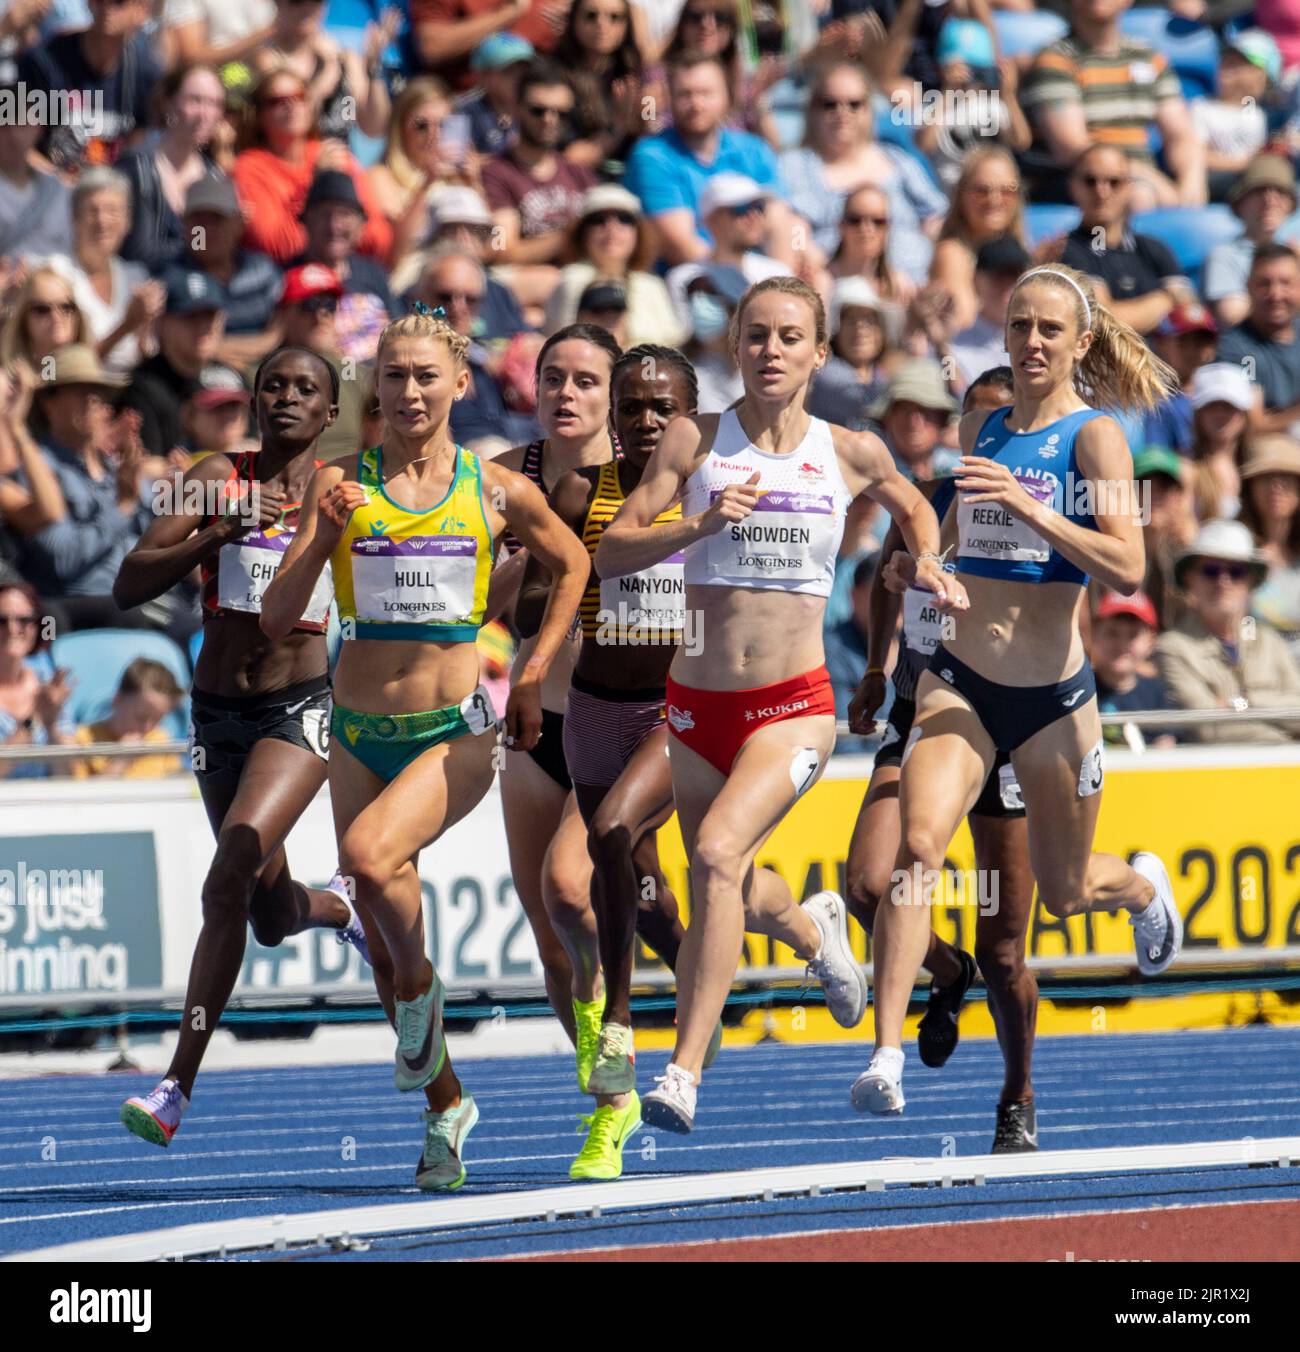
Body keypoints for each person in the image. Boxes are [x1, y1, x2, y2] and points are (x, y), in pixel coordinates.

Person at [594, 274, 953, 1132]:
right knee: (735, 885)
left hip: (792, 706)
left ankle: (682, 1071)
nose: (770, 351)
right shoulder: (696, 439)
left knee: (715, 856)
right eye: (756, 335)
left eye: (790, 337)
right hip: (693, 707)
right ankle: (814, 930)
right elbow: (612, 554)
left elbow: (913, 508)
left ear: (818, 354)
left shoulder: (849, 449)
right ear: (734, 348)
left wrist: (930, 565)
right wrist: (697, 525)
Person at [260, 311, 590, 1190]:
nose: (409, 392)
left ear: (458, 384)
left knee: (366, 861)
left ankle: (419, 1001)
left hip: (453, 734)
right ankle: (445, 1105)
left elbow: (575, 568)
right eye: (394, 377)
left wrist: (530, 672)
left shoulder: (492, 489)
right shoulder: (340, 483)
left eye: (425, 377)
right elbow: (273, 614)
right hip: (358, 731)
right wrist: (323, 536)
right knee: (377, 924)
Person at [856, 260, 1185, 1119]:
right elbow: (958, 541)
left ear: (1080, 343)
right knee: (917, 851)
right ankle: (886, 1056)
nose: (1031, 342)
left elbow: (1127, 565)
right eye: (1018, 326)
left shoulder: (1095, 438)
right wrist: (920, 569)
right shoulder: (985, 427)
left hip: (1051, 702)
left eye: (1048, 329)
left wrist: (1036, 509)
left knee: (1067, 892)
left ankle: (1142, 887)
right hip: (962, 684)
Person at [114, 346, 372, 1148]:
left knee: (230, 868)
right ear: (256, 400)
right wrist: (217, 532)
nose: (288, 398)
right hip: (214, 713)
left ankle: (175, 1086)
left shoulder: (350, 489)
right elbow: (130, 582)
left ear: (331, 413)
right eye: (274, 386)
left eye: (307, 390)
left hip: (295, 712)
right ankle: (339, 906)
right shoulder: (216, 473)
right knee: (264, 911)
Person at [516, 343, 721, 1179]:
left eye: (663, 409)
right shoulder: (579, 492)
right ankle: (778, 937)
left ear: (692, 417)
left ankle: (623, 1033)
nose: (644, 421)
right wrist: (530, 664)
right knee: (647, 890)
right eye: (630, 406)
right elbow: (548, 597)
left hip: (675, 714)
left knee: (598, 844)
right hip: (592, 710)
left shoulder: (716, 491)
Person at [843, 366, 1042, 1151]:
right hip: (929, 712)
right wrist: (875, 665)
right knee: (868, 884)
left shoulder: (1035, 513)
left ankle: (1018, 1088)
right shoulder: (924, 497)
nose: (986, 440)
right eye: (976, 424)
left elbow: (1068, 627)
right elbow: (890, 576)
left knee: (1005, 950)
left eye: (1004, 425)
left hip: (1013, 727)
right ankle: (943, 971)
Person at [490, 324, 619, 1080]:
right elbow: (473, 606)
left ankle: (803, 933)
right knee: (548, 930)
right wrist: (527, 549)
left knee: (573, 887)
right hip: (534, 720)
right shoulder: (504, 475)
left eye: (585, 381)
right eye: (553, 380)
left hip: (622, 719)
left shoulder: (644, 479)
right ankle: (609, 1100)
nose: (566, 394)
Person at [1019, 0, 1206, 210]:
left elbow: (1180, 135)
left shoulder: (1149, 57)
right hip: (1083, 181)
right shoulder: (1055, 60)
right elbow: (1072, 148)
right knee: (1138, 195)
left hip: (1146, 181)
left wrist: (1191, 181)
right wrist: (1150, 178)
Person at [623, 52, 794, 270]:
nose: (696, 104)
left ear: (727, 97)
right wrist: (746, 283)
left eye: (706, 93)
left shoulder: (754, 149)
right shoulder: (651, 155)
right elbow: (680, 246)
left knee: (796, 228)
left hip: (755, 272)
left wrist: (778, 280)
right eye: (685, 94)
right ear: (669, 99)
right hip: (691, 282)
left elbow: (784, 222)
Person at [1157, 518, 1300, 743]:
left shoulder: (1270, 641)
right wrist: (1286, 739)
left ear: (1251, 581)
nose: (1223, 581)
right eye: (1211, 570)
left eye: (1235, 572)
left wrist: (1244, 702)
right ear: (1189, 578)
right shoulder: (1172, 648)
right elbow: (1208, 728)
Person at [231, 69, 393, 267]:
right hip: (285, 282)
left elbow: (378, 239)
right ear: (259, 115)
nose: (290, 105)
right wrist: (316, 181)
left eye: (299, 97)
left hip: (348, 275)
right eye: (277, 101)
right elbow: (276, 246)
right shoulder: (249, 167)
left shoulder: (335, 155)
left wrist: (327, 241)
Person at [1057, 143, 1195, 338]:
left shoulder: (1154, 248)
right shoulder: (1066, 250)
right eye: (1090, 181)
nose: (1102, 191)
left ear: (1129, 186)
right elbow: (1105, 320)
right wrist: (1165, 300)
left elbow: (1191, 315)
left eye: (1114, 182)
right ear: (1072, 185)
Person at [43, 166, 164, 374]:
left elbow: (147, 358)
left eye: (112, 211)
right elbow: (60, 368)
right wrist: (126, 326)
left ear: (128, 221)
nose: (102, 221)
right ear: (73, 219)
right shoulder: (55, 274)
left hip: (130, 396)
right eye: (92, 210)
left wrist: (145, 330)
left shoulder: (137, 276)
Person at [17, 0, 163, 170]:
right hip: (49, 184)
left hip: (111, 189)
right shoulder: (42, 61)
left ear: (142, 10)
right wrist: (55, 179)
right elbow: (10, 140)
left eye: (119, 1)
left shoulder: (146, 74)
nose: (107, 6)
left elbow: (141, 146)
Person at [480, 63, 595, 268]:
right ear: (516, 109)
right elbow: (500, 249)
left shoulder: (579, 172)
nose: (550, 120)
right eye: (538, 110)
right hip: (527, 282)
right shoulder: (496, 172)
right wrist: (568, 237)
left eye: (561, 113)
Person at [117, 63, 228, 274]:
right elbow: (138, 252)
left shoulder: (212, 174)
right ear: (168, 102)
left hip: (193, 295)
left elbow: (202, 248)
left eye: (214, 104)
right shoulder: (137, 167)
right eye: (195, 100)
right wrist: (198, 248)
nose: (204, 114)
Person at [546, 185, 687, 347]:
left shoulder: (652, 285)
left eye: (624, 219)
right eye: (598, 220)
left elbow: (672, 348)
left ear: (638, 232)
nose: (612, 228)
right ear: (581, 233)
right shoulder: (570, 279)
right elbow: (562, 346)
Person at [368, 77, 481, 275]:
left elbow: (494, 246)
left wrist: (474, 185)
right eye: (421, 125)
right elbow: (397, 251)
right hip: (414, 282)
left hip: (465, 277)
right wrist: (427, 183)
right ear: (400, 128)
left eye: (443, 125)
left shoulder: (460, 177)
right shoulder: (380, 176)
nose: (433, 134)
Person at [291, 171, 401, 365]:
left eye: (345, 214)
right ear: (306, 221)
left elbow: (399, 332)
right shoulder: (287, 277)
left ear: (361, 224)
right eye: (324, 215)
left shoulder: (375, 273)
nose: (334, 226)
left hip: (378, 386)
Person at [120, 266, 228, 462]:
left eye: (209, 316)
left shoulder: (229, 377)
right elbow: (145, 466)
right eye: (190, 317)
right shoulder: (143, 387)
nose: (202, 327)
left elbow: (255, 442)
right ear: (161, 322)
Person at [249, 0, 396, 141]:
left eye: (316, 0)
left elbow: (374, 128)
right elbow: (288, 127)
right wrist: (322, 81)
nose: (307, 8)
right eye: (297, 1)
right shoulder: (268, 61)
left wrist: (375, 66)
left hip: (340, 161)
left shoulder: (345, 60)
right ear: (278, 3)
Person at [928, 147, 1028, 337]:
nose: (994, 200)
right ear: (961, 195)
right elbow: (963, 323)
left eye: (1007, 191)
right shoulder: (951, 253)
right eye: (981, 191)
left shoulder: (1022, 250)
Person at [1203, 155, 1296, 330]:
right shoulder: (1224, 255)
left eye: (1280, 192)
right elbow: (1231, 316)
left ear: (1291, 205)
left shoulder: (1294, 251)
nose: (1270, 200)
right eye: (1259, 191)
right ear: (1240, 203)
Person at [1216, 244, 1300, 436]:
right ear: (1248, 286)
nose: (1276, 294)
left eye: (1286, 283)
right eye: (1264, 284)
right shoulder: (1237, 349)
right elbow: (1255, 426)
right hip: (1271, 452)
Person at [806, 275, 904, 431]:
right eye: (850, 321)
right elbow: (867, 399)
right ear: (836, 331)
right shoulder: (826, 374)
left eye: (869, 321)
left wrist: (942, 347)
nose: (860, 330)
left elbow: (950, 386)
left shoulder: (883, 374)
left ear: (882, 331)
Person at [0, 580, 74, 782]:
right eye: (1, 620)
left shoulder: (48, 684)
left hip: (45, 804)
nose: (13, 629)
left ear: (36, 627)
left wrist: (50, 726)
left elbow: (68, 776)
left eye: (24, 620)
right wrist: (34, 720)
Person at [1091, 590, 1178, 750]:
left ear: (1150, 641)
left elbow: (1166, 745)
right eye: (1112, 633)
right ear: (1095, 634)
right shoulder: (1082, 692)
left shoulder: (1156, 693)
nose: (1121, 644)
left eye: (1132, 635)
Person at [72, 657, 185, 779]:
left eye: (157, 720)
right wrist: (121, 760)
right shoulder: (83, 739)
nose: (147, 727)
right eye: (141, 717)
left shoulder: (160, 739)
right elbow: (84, 795)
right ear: (117, 700)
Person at [1240, 436, 1300, 657]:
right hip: (1259, 673)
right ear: (1250, 489)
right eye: (1265, 477)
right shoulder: (1237, 552)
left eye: (1285, 477)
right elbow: (1237, 627)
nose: (1276, 486)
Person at [1146, 302, 1217, 459]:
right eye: (1183, 341)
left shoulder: (1223, 396)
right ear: (1160, 342)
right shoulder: (1152, 400)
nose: (1193, 350)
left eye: (1202, 341)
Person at [825, 184, 916, 305]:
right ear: (841, 225)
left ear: (888, 227)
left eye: (878, 221)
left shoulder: (900, 285)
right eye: (855, 220)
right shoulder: (822, 281)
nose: (867, 228)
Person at [0, 109, 73, 262]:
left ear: (39, 128)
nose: (13, 134)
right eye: (4, 125)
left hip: (61, 280)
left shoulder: (60, 189)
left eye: (22, 124)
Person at [1186, 362, 1254, 522]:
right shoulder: (1184, 467)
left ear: (1244, 414)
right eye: (1211, 406)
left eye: (1229, 406)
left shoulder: (1259, 465)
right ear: (1198, 415)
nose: (1220, 414)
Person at [456, 32, 533, 157]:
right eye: (510, 72)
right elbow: (454, 160)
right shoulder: (461, 112)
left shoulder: (539, 110)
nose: (520, 78)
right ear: (483, 76)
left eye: (526, 71)